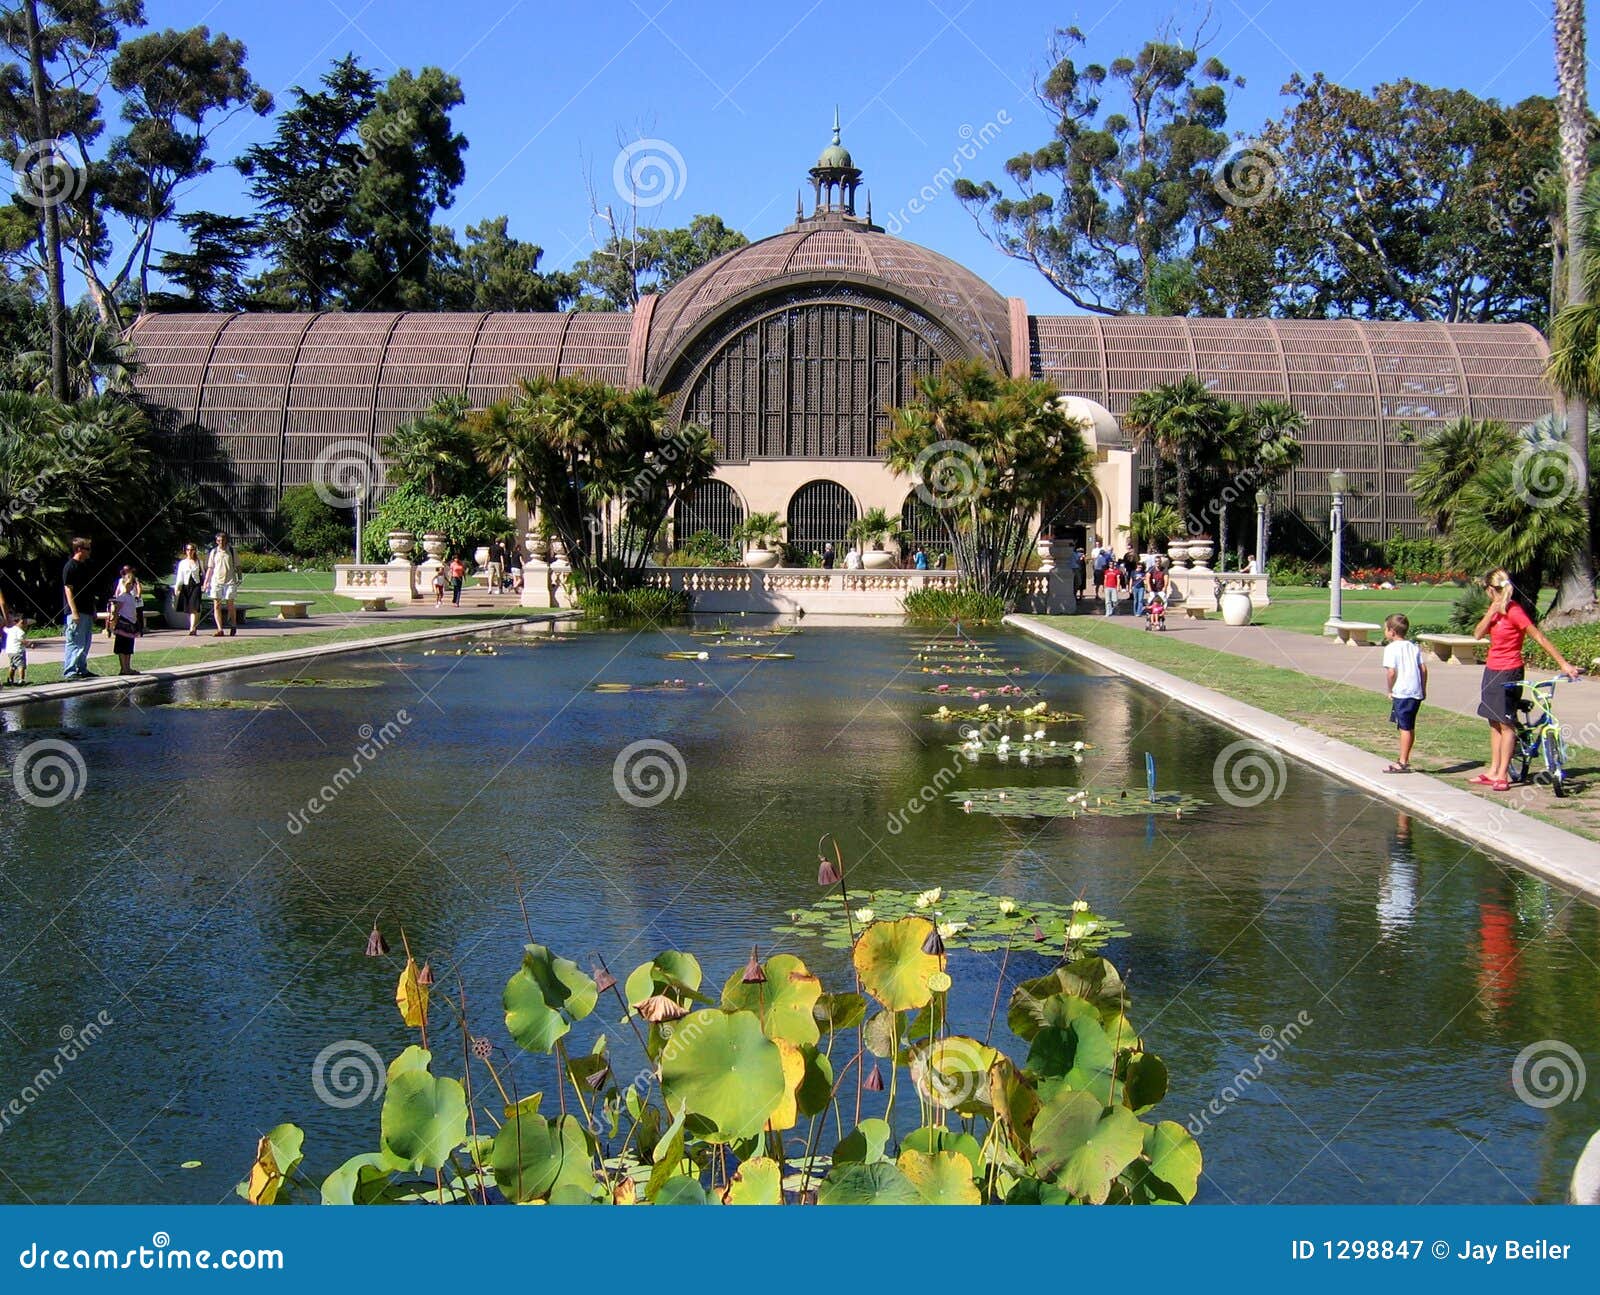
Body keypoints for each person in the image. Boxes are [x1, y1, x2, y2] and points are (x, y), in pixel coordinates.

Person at [1472, 569, 1580, 791]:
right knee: (1493, 721)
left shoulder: (1514, 611)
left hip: (1509, 670)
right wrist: (1492, 611)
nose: (1486, 594)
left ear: (1492, 589)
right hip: (1492, 669)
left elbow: (1539, 637)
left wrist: (1563, 664)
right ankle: (1493, 770)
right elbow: (1477, 634)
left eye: (1487, 590)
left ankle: (1503, 775)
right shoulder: (1495, 611)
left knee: (1506, 723)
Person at [1381, 613, 1427, 774]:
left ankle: (1403, 762)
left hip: (1402, 692)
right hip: (1415, 691)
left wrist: (1389, 689)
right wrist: (1423, 688)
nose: (1384, 631)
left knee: (1405, 727)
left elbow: (1391, 672)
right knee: (1408, 725)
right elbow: (1423, 669)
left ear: (1392, 631)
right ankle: (1404, 758)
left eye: (1385, 628)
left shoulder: (1390, 649)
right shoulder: (1413, 646)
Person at [61, 536, 95, 680]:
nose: (89, 552)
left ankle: (82, 668)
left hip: (87, 609)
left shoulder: (85, 566)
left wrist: (93, 609)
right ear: (79, 549)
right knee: (75, 641)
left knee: (85, 642)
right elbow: (68, 589)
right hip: (76, 611)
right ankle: (70, 671)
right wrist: (74, 612)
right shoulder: (70, 566)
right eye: (87, 549)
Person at [204, 532, 241, 637]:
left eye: (223, 540)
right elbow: (210, 568)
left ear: (226, 540)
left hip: (230, 581)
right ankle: (220, 629)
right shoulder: (214, 552)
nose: (221, 542)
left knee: (230, 604)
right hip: (216, 581)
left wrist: (240, 577)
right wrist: (206, 582)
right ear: (216, 541)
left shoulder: (232, 551)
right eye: (219, 540)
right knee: (217, 605)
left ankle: (233, 625)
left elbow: (238, 566)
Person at [108, 566, 142, 675]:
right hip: (123, 624)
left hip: (131, 624)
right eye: (128, 584)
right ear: (123, 584)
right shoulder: (122, 597)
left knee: (129, 647)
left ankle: (128, 667)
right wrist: (113, 623)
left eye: (132, 584)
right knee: (122, 647)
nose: (130, 586)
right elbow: (116, 610)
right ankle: (123, 668)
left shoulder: (131, 597)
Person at [174, 543, 204, 635]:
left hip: (196, 586)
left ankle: (192, 628)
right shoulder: (182, 563)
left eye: (191, 550)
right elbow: (180, 577)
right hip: (186, 586)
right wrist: (177, 588)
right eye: (188, 550)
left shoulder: (199, 562)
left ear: (195, 551)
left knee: (194, 607)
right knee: (188, 609)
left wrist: (205, 585)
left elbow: (203, 574)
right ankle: (193, 625)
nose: (189, 552)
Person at [4, 614, 27, 685]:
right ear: (21, 622)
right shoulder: (20, 631)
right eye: (25, 624)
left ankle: (10, 680)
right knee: (21, 665)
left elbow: (4, 628)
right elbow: (21, 640)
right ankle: (21, 680)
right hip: (18, 651)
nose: (25, 626)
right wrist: (29, 643)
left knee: (12, 666)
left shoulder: (10, 629)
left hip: (10, 652)